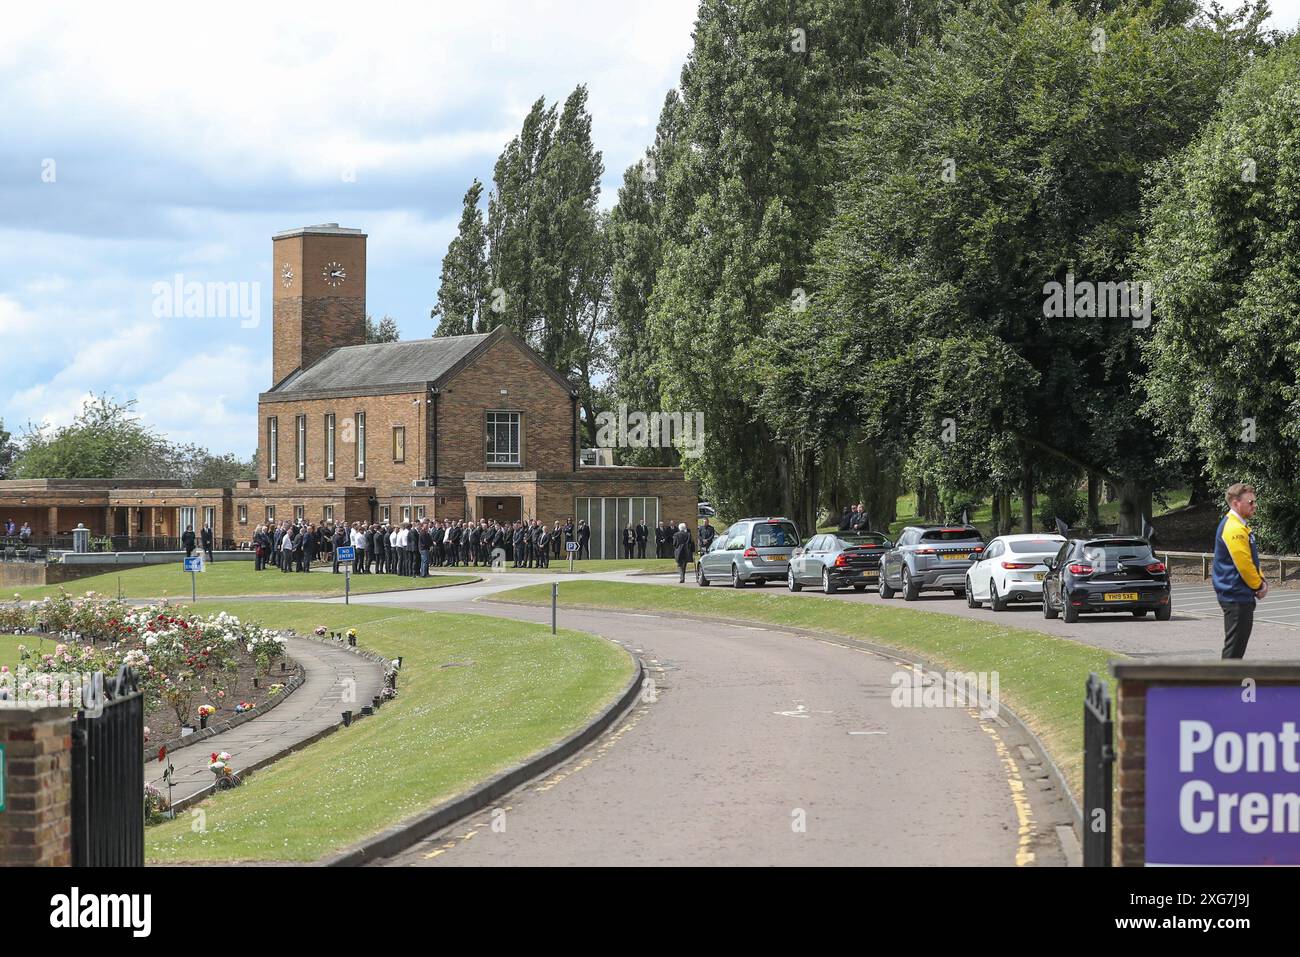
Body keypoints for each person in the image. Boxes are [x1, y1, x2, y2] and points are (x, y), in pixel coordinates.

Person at [1213, 483, 1266, 659]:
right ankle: (1224, 685)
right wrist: (1259, 585)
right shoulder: (1234, 528)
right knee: (1234, 651)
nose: (1254, 505)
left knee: (1236, 648)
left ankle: (1227, 684)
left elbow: (1251, 560)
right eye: (1251, 502)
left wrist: (1261, 581)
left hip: (1239, 594)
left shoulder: (1239, 526)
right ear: (1236, 503)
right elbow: (1243, 564)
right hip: (1235, 595)